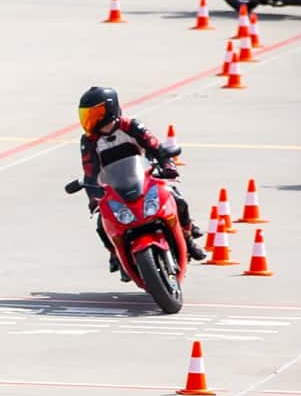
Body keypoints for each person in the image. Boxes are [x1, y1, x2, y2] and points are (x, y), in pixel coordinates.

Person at [77, 86, 207, 272]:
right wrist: (94, 196)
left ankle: (187, 236)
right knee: (101, 224)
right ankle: (115, 254)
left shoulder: (131, 126)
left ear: (110, 109)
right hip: (115, 187)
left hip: (144, 177)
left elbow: (155, 147)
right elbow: (90, 171)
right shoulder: (89, 142)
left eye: (94, 113)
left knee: (178, 199)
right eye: (86, 115)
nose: (90, 120)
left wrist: (167, 165)